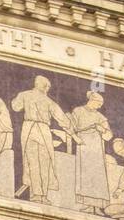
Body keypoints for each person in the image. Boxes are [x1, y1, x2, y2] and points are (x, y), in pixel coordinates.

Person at [11, 74, 76, 203]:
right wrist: (72, 127)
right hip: (42, 129)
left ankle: (36, 195)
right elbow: (64, 120)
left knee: (33, 162)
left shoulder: (25, 95)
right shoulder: (48, 101)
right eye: (47, 87)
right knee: (44, 163)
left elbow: (15, 106)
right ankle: (42, 196)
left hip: (29, 127)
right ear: (45, 87)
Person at [69, 91, 114, 213]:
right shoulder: (78, 111)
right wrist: (76, 138)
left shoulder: (100, 117)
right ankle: (88, 204)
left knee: (97, 175)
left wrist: (102, 130)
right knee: (85, 174)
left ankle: (98, 206)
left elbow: (109, 136)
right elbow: (70, 127)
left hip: (97, 148)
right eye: (99, 103)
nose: (99, 106)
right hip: (83, 145)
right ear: (92, 100)